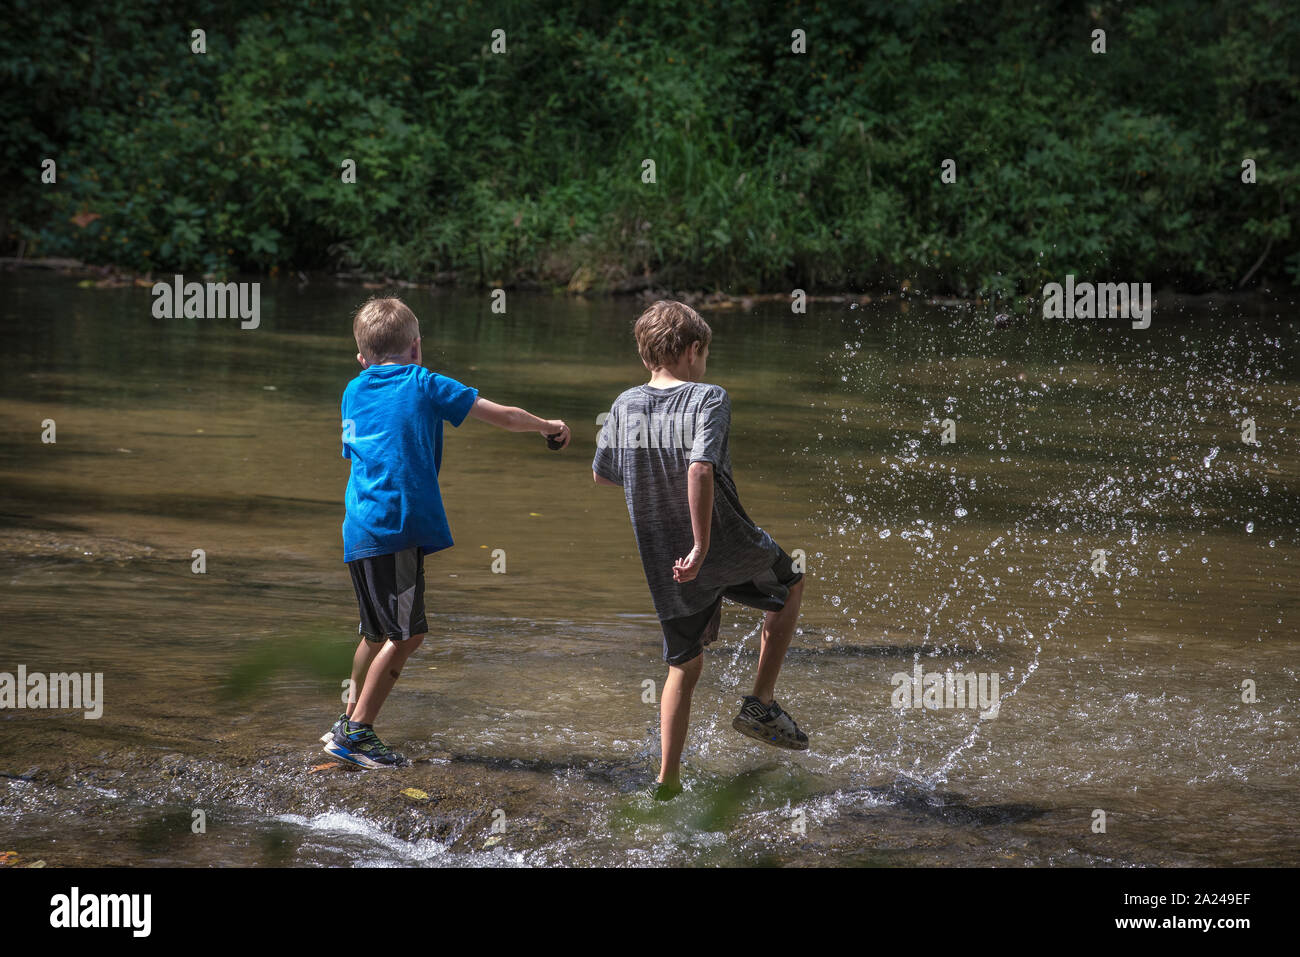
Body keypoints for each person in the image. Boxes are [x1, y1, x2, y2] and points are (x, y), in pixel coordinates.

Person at [324, 297, 570, 769]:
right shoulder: (424, 382)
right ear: (417, 347)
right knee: (407, 636)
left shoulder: (352, 390)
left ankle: (348, 717)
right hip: (397, 527)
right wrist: (548, 426)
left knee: (375, 632)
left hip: (358, 528)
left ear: (362, 359)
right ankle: (357, 734)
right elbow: (502, 415)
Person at [592, 300, 807, 796]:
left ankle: (667, 781)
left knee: (683, 665)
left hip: (662, 555)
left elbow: (604, 475)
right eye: (704, 353)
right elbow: (699, 468)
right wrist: (702, 544)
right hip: (718, 541)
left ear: (647, 356)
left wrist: (651, 479)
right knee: (791, 580)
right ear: (693, 350)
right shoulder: (709, 397)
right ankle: (762, 700)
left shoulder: (624, 404)